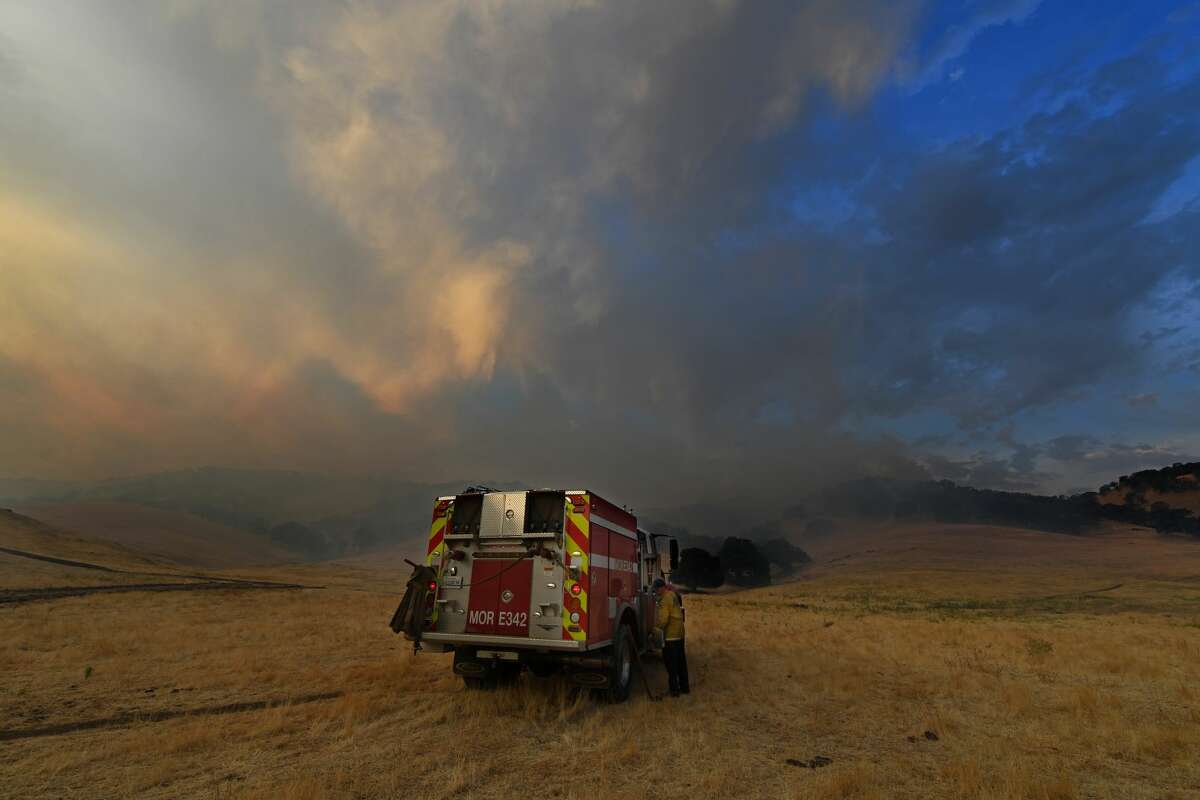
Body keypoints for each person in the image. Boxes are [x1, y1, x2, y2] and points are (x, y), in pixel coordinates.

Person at [652, 577, 690, 696]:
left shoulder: (664, 599)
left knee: (671, 665)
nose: (656, 592)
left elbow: (663, 619)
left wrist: (655, 629)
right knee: (681, 663)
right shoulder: (673, 595)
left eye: (656, 590)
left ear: (661, 588)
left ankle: (674, 691)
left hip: (670, 636)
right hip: (679, 634)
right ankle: (685, 688)